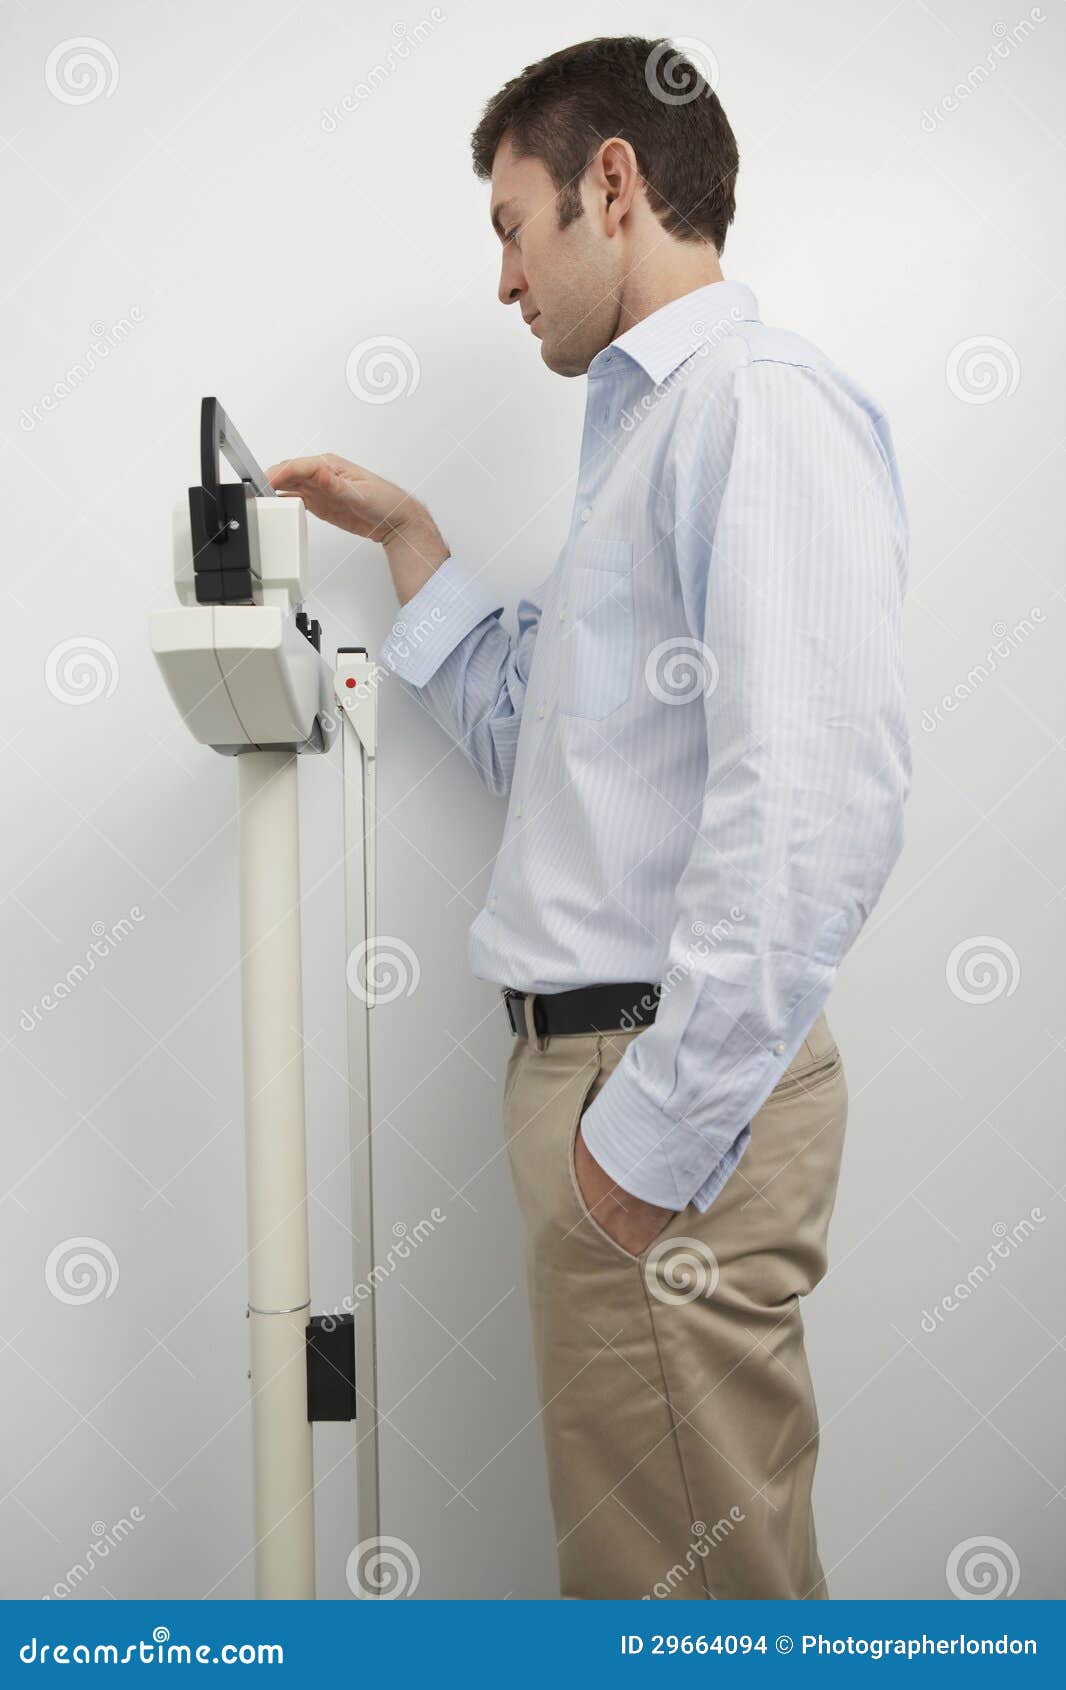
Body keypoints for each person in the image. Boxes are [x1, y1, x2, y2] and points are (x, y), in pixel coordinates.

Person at [267, 35, 911, 1600]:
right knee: (667, 1588)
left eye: (510, 221)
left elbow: (818, 797)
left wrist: (652, 1138)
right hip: (613, 1084)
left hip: (656, 1089)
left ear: (609, 184)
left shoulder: (751, 407)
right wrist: (414, 540)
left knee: (689, 1600)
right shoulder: (642, 439)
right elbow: (556, 746)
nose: (502, 277)